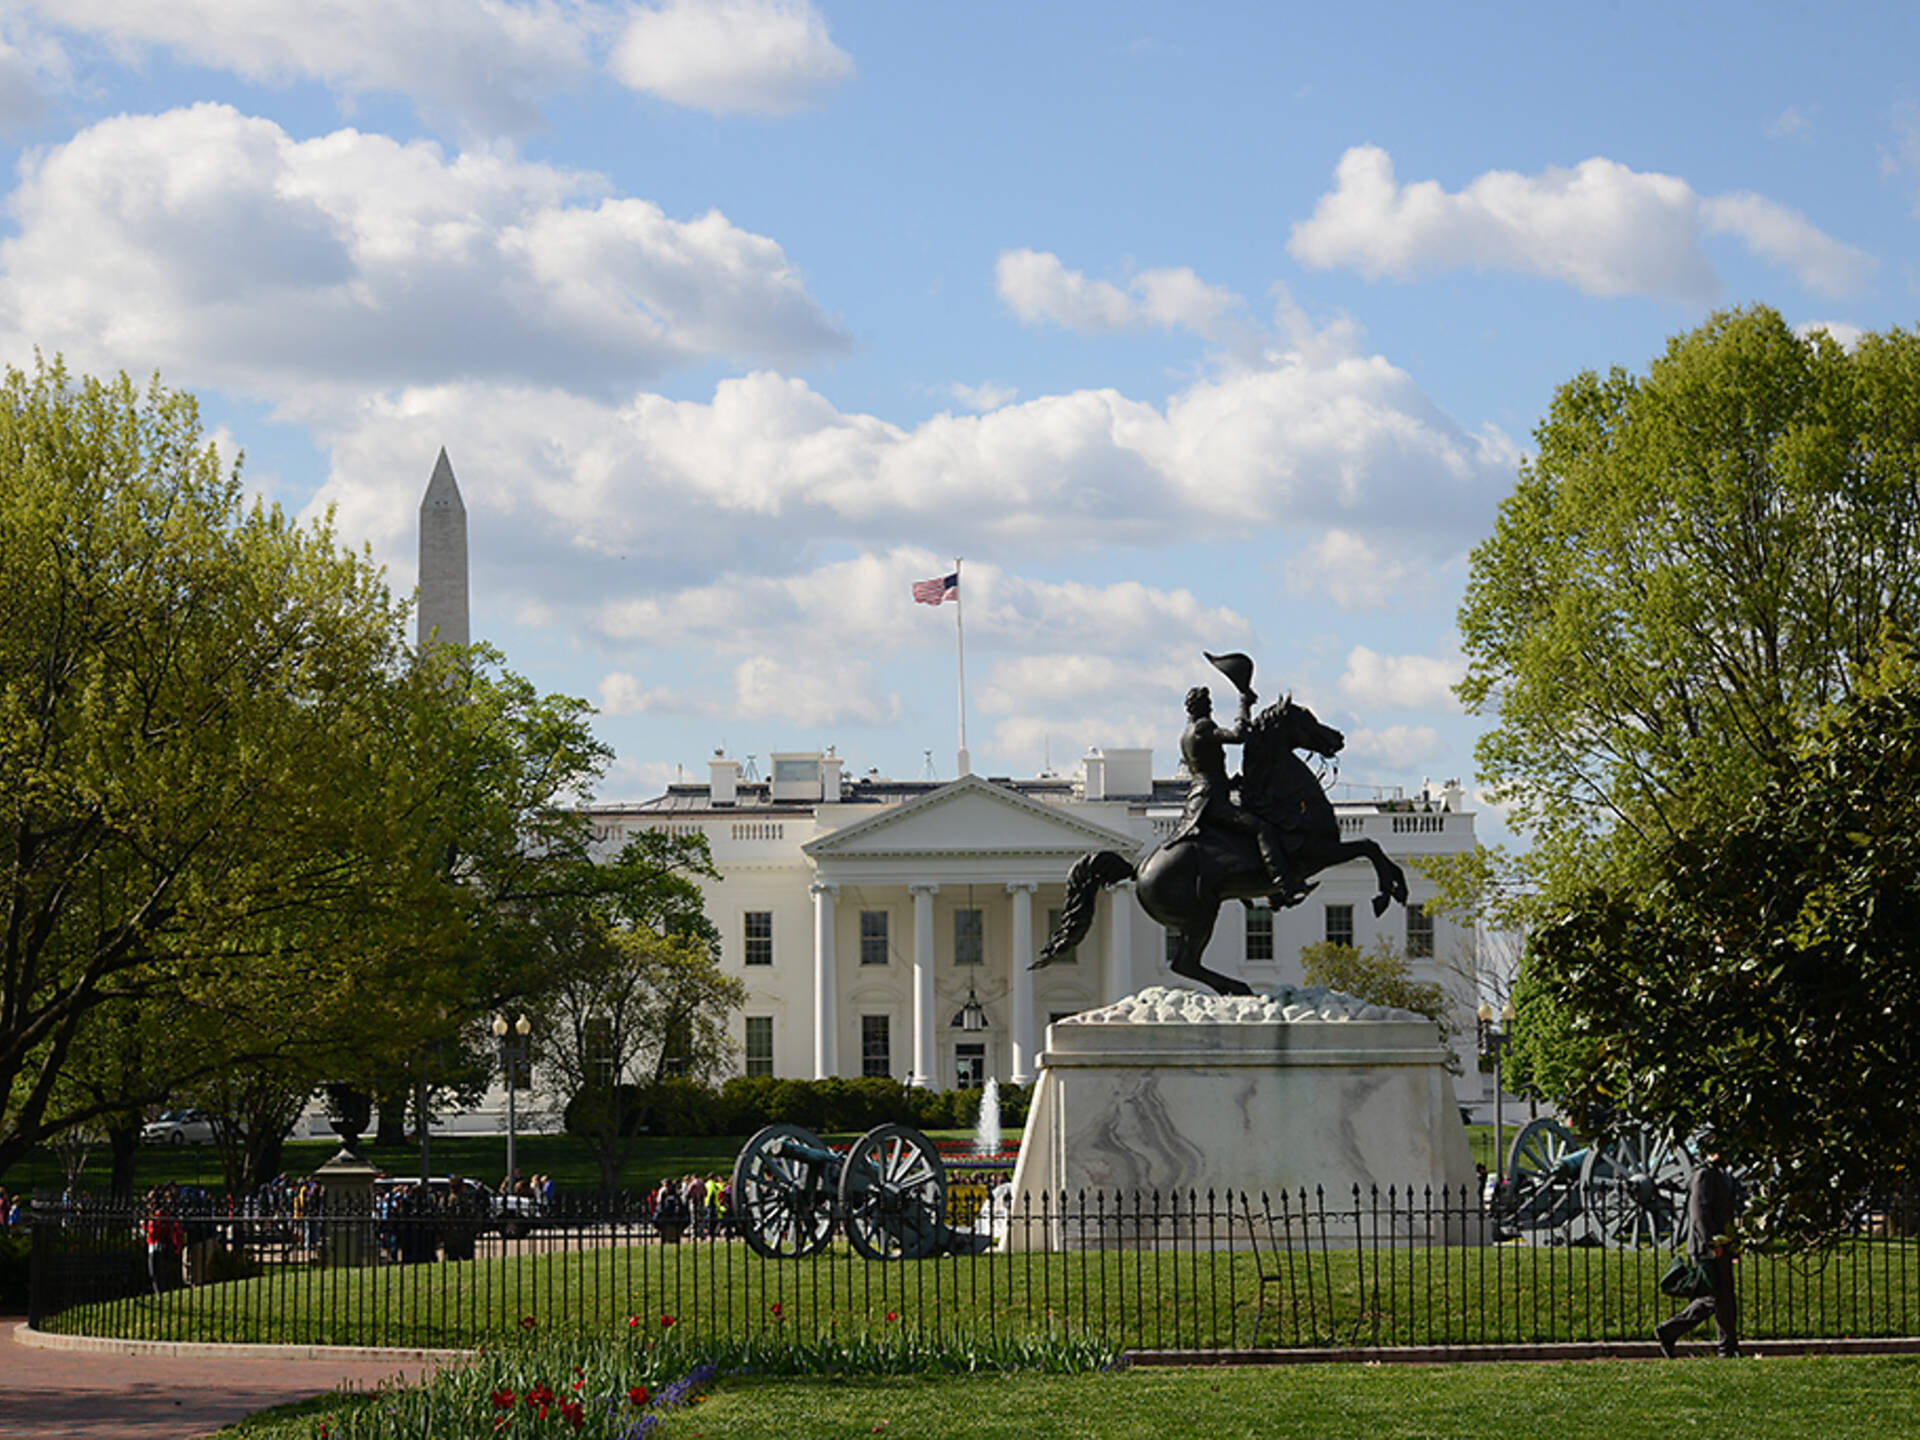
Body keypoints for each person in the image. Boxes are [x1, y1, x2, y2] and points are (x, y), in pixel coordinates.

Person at [1173, 684, 1291, 895]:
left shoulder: (1185, 734)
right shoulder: (1202, 727)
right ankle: (1282, 886)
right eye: (1208, 704)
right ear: (1201, 707)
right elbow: (1239, 735)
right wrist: (1243, 704)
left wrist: (1230, 783)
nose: (1211, 708)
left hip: (1203, 794)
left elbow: (1203, 771)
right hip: (1213, 800)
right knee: (1262, 828)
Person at [1656, 1143, 1741, 1358]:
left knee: (1721, 1298)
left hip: (1721, 1243)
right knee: (1717, 1298)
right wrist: (1712, 1244)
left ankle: (1727, 1347)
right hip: (1708, 1247)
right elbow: (1699, 1214)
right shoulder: (1703, 1175)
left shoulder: (1720, 1175)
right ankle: (1725, 1348)